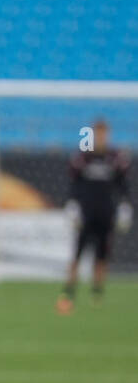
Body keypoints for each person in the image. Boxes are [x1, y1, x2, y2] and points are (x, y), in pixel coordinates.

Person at [58, 118, 131, 314]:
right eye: (97, 133)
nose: (101, 137)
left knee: (102, 255)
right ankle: (69, 292)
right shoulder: (83, 157)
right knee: (77, 253)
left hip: (106, 213)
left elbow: (123, 185)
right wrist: (72, 204)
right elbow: (74, 183)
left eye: (103, 133)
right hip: (86, 213)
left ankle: (97, 293)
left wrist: (125, 206)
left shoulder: (115, 157)